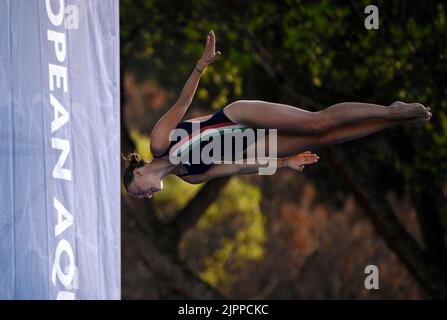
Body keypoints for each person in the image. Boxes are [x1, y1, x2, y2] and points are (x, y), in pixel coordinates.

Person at [123, 31, 432, 199]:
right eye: (143, 197)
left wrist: (201, 66)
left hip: (238, 118)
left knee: (317, 123)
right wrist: (284, 163)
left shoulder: (159, 143)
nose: (147, 196)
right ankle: (393, 121)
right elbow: (238, 168)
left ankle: (391, 109)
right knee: (325, 138)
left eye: (138, 194)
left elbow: (183, 100)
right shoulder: (190, 177)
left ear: (138, 174)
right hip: (251, 147)